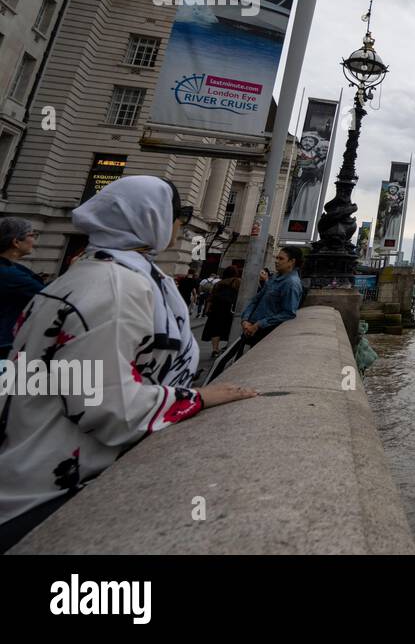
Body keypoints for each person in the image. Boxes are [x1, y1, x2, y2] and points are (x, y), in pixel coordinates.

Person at [0, 176, 256, 552]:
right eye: (176, 215)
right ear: (149, 218)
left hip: (26, 463)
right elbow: (108, 407)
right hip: (51, 489)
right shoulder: (119, 287)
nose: (179, 225)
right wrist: (197, 397)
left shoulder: (82, 274)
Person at [240, 247, 303, 348]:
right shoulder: (275, 277)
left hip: (266, 334)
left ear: (292, 261)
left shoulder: (291, 283)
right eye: (277, 258)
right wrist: (245, 320)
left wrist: (259, 324)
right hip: (252, 329)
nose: (276, 261)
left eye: (281, 259)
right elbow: (256, 299)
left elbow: (288, 313)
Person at [0, 217, 43, 356]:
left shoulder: (12, 269)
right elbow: (49, 296)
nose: (34, 240)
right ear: (16, 242)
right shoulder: (9, 274)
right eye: (31, 235)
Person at [201, 266, 240, 357]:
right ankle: (229, 346)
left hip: (216, 308)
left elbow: (211, 297)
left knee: (216, 329)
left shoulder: (218, 283)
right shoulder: (237, 281)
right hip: (229, 309)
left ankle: (215, 349)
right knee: (230, 327)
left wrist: (207, 309)